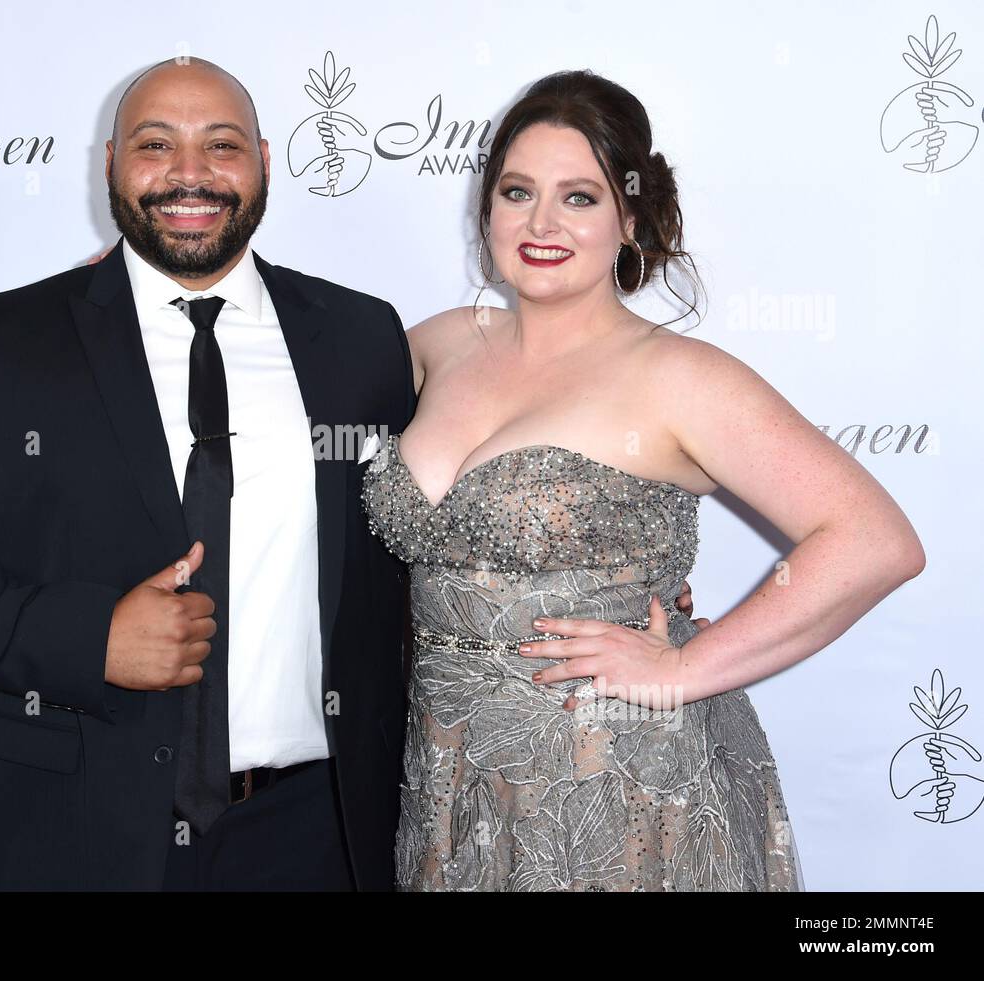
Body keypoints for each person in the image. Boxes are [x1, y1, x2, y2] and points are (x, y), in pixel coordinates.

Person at [0, 56, 700, 891]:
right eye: (156, 145)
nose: (190, 174)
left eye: (221, 145)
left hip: (311, 837)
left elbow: (435, 523)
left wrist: (603, 595)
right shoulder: (3, 343)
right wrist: (92, 638)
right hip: (59, 830)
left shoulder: (361, 340)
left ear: (263, 160)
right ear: (110, 162)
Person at [360, 69, 926, 891]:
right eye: (517, 192)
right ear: (486, 210)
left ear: (629, 218)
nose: (542, 222)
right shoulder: (440, 344)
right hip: (448, 788)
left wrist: (684, 668)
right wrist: (122, 302)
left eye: (579, 197)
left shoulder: (675, 377)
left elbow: (876, 541)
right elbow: (290, 408)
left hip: (614, 790)